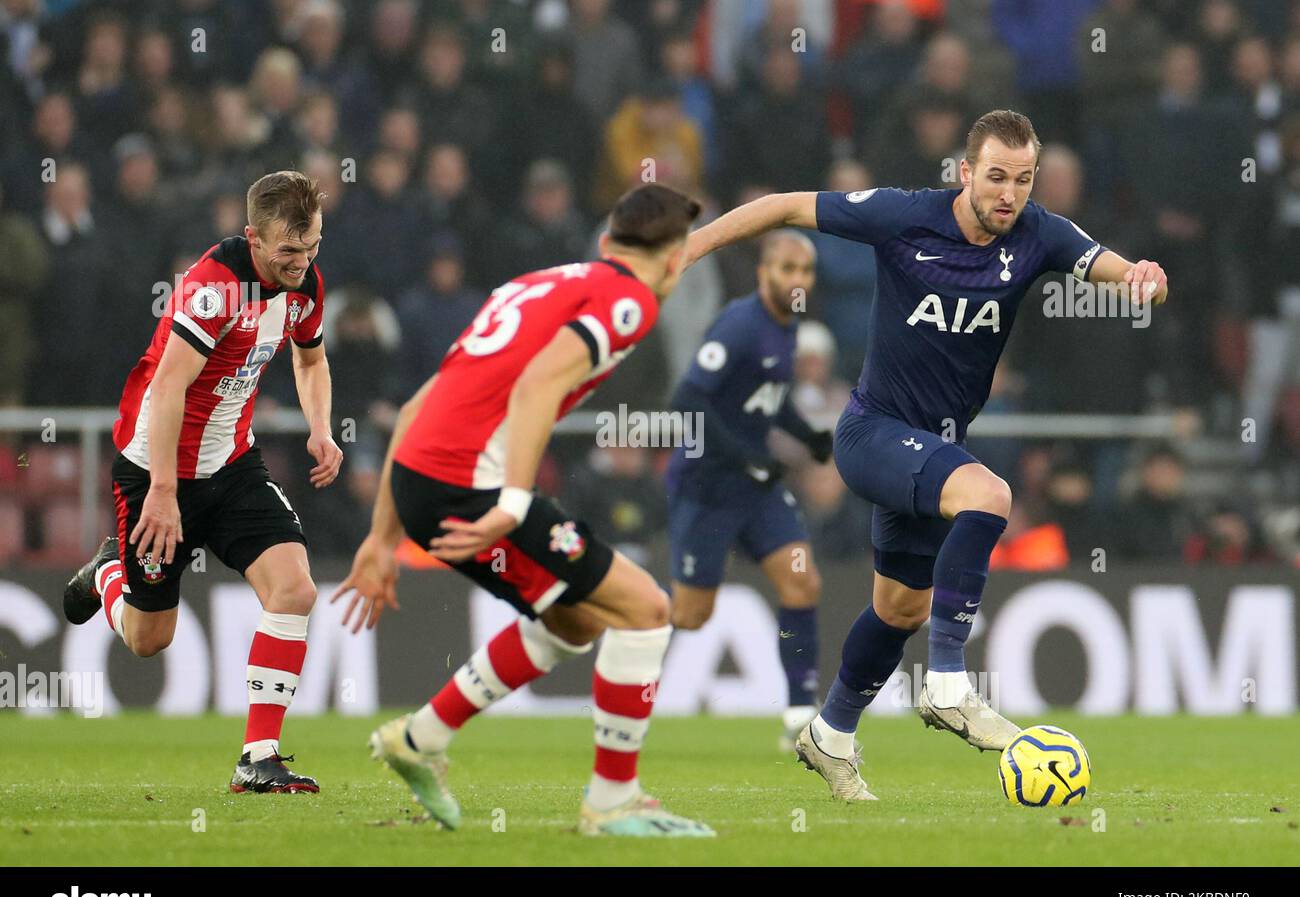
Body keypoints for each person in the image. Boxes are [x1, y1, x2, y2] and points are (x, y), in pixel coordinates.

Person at [683, 110, 1169, 800]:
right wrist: (689, 248)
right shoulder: (903, 216)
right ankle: (947, 685)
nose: (1009, 193)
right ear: (966, 173)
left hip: (932, 451)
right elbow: (783, 206)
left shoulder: (1039, 234)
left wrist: (1144, 277)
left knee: (900, 610)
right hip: (872, 433)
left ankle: (831, 734)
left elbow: (1121, 271)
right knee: (990, 495)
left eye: (1023, 180)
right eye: (996, 176)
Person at [331, 183, 714, 838]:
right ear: (675, 261)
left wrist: (382, 535)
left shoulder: (536, 285)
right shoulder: (630, 301)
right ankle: (612, 801)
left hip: (424, 482)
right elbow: (540, 385)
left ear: (605, 243)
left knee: (573, 621)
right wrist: (513, 500)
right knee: (647, 610)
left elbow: (425, 401)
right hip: (473, 489)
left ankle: (418, 739)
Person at [61, 171, 343, 794]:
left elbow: (311, 357)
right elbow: (167, 388)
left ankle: (259, 757)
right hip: (155, 470)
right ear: (253, 237)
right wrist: (162, 492)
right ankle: (106, 574)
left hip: (233, 468)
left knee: (294, 590)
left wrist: (320, 429)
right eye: (288, 252)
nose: (302, 263)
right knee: (147, 639)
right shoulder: (214, 288)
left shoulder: (305, 285)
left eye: (313, 247)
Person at [666, 230, 832, 752]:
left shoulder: (787, 327)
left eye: (804, 271)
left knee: (802, 583)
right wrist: (745, 457)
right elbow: (687, 399)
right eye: (787, 269)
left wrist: (805, 435)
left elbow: (769, 398)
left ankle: (799, 719)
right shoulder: (739, 324)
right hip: (709, 486)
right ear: (764, 273)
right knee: (691, 616)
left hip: (756, 487)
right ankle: (621, 674)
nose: (797, 281)